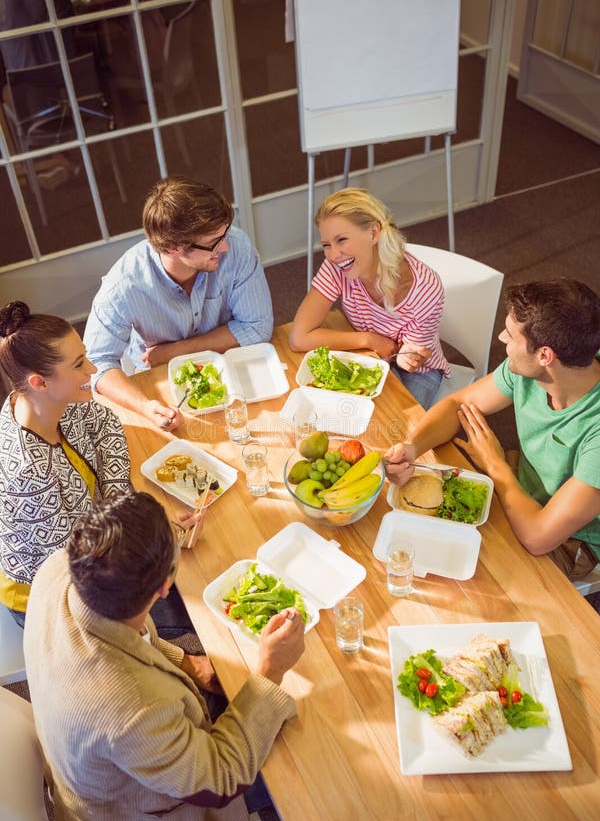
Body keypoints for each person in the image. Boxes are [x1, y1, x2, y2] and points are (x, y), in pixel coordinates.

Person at [23, 491, 305, 821]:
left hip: (92, 762)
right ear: (163, 588)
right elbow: (221, 778)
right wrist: (271, 671)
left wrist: (187, 663)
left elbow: (131, 641)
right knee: (302, 768)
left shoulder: (59, 568)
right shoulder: (132, 712)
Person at [385, 278, 600, 583]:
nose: (501, 338)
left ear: (544, 355)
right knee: (417, 530)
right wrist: (412, 448)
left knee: (457, 575)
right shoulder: (532, 370)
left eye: (510, 335)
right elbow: (457, 405)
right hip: (519, 484)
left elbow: (538, 537)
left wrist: (495, 464)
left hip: (567, 540)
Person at [83, 176, 274, 430]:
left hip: (230, 367)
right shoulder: (123, 285)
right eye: (213, 243)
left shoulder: (237, 248)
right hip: (161, 380)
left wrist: (173, 351)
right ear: (173, 247)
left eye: (224, 234)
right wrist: (145, 406)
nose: (225, 247)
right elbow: (95, 364)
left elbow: (258, 326)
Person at [0, 300, 131, 627]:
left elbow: (106, 423)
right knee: (176, 601)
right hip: (53, 594)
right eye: (79, 364)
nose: (92, 370)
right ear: (39, 382)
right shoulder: (27, 473)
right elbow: (74, 564)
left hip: (97, 542)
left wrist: (118, 501)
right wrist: (138, 528)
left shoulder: (50, 401)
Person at [289, 188, 450, 409]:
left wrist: (407, 357)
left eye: (342, 240)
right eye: (326, 245)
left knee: (392, 422)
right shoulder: (337, 266)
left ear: (373, 233)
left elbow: (405, 357)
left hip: (417, 372)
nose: (333, 254)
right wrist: (368, 340)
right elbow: (298, 338)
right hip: (371, 353)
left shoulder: (426, 288)